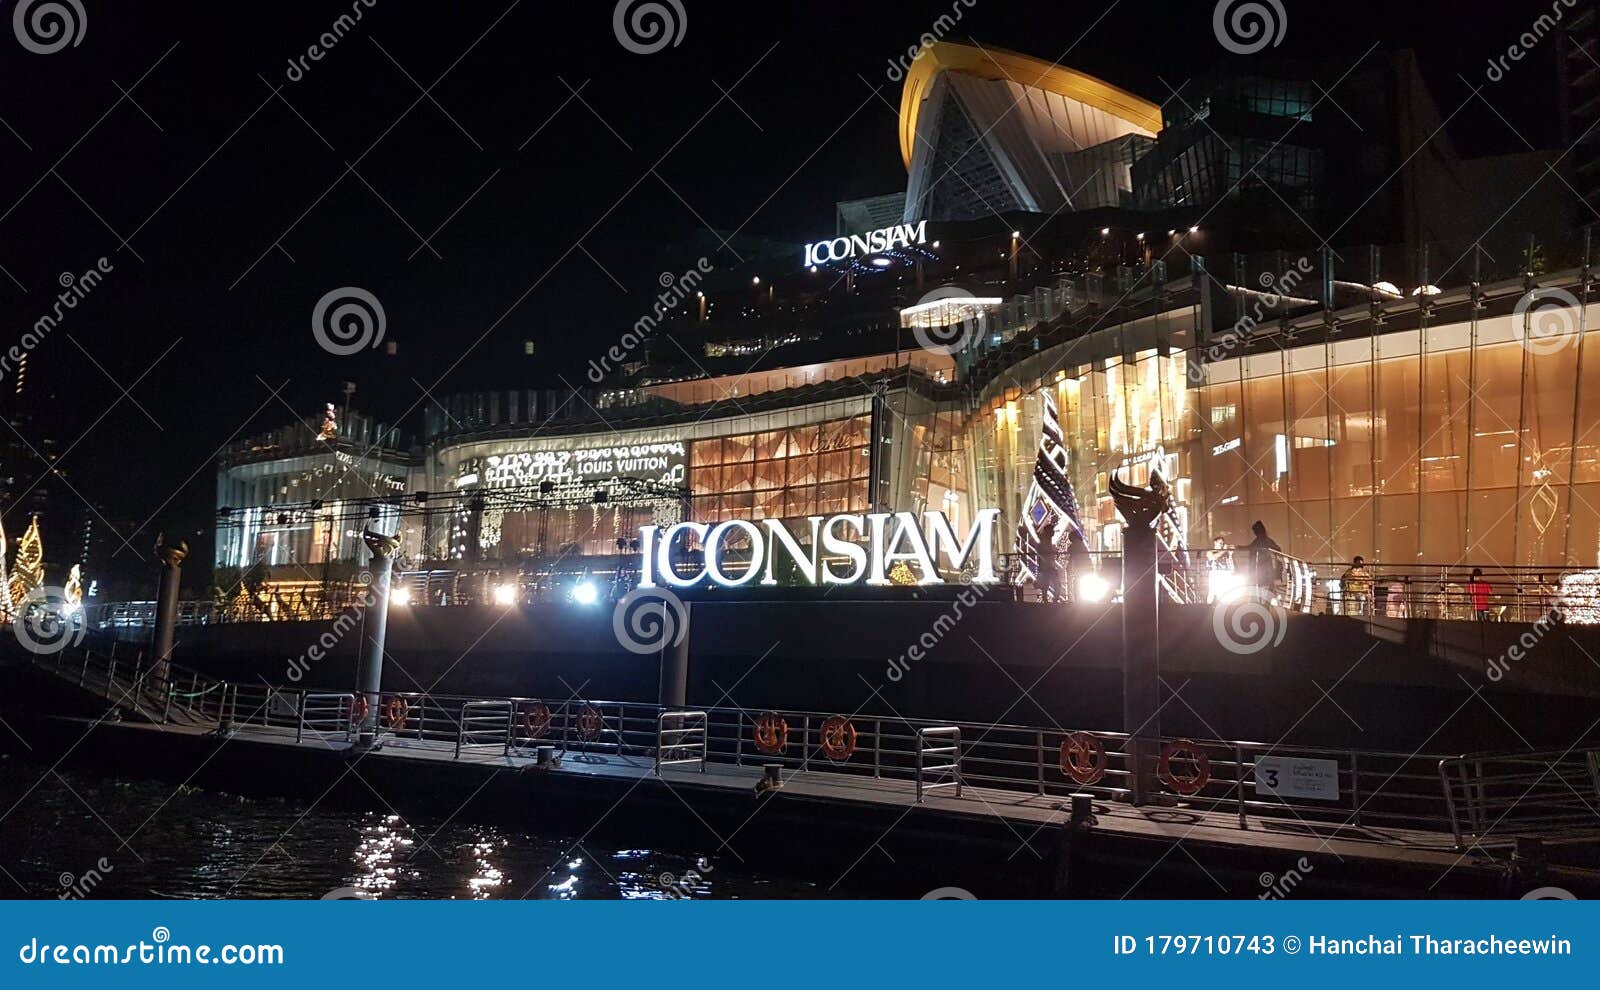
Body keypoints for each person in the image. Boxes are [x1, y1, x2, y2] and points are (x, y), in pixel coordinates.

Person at [1244, 520, 1281, 596]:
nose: (1255, 533)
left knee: (1262, 588)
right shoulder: (1265, 540)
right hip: (1264, 569)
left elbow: (1250, 547)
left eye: (1255, 531)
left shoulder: (1261, 540)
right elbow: (1278, 549)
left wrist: (1237, 547)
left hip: (1262, 569)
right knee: (1266, 589)